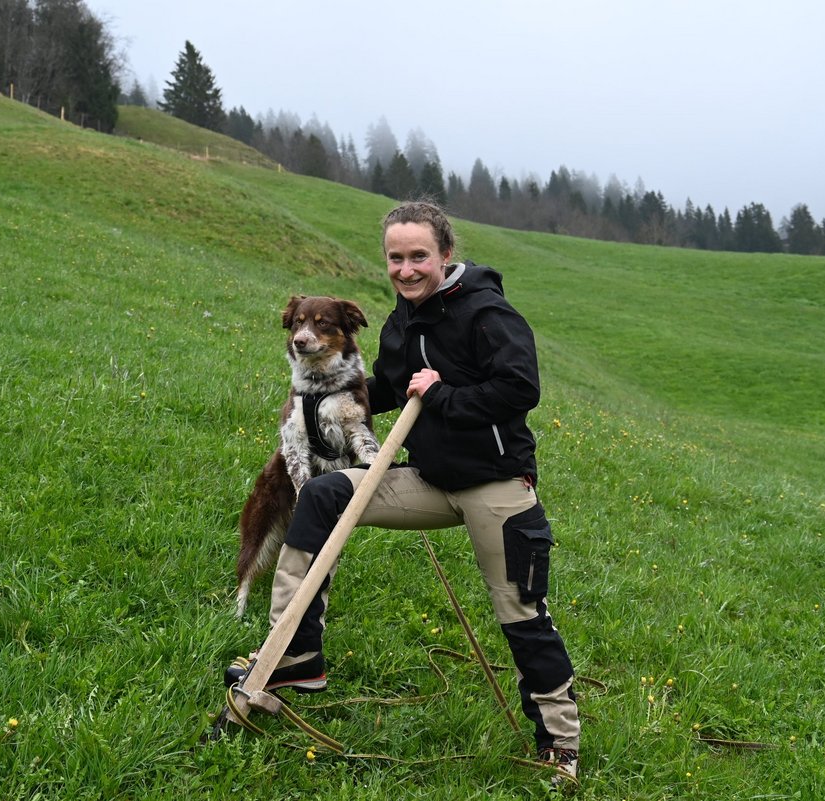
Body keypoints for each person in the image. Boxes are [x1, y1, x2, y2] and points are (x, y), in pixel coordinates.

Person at [225, 200, 580, 780]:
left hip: (497, 487)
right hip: (429, 482)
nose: (406, 269)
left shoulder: (488, 314)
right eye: (396, 257)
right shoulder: (401, 323)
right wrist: (321, 398)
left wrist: (441, 394)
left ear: (445, 254)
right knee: (323, 495)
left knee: (522, 612)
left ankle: (560, 745)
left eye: (419, 256)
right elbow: (385, 390)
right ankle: (296, 653)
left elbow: (520, 389)